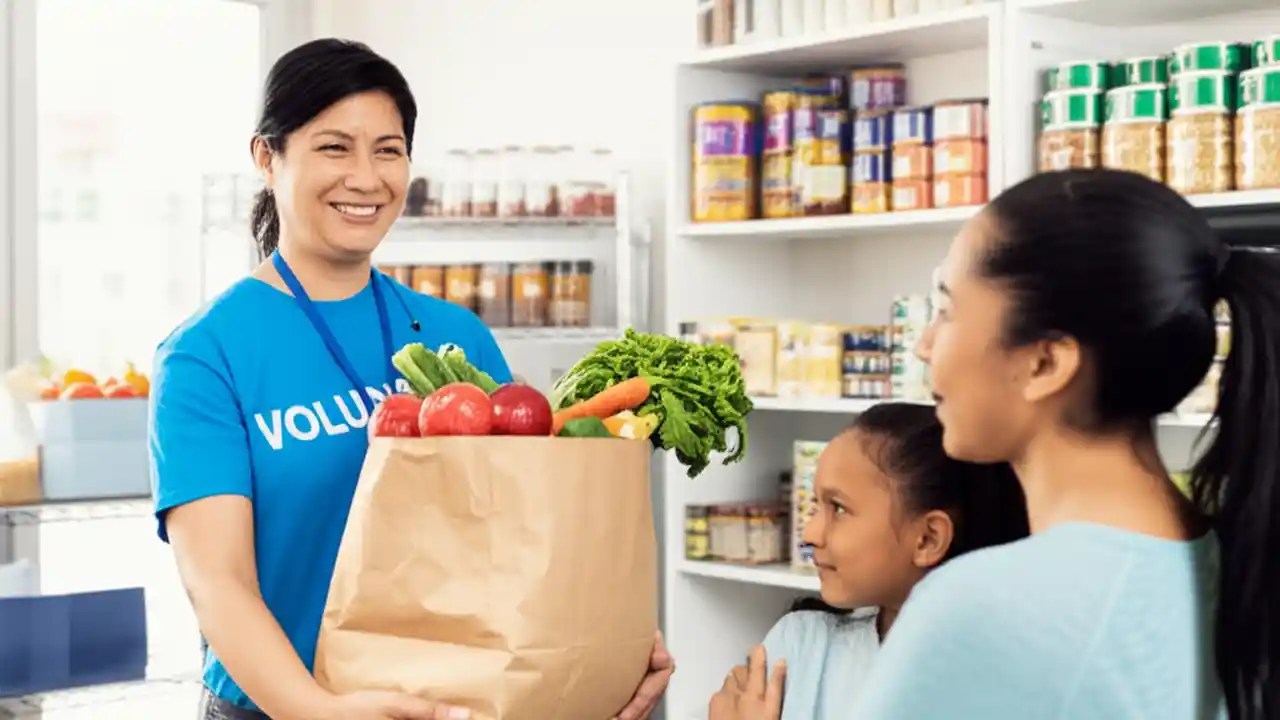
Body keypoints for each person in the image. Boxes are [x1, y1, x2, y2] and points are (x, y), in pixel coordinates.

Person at [150, 39, 671, 720]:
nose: (366, 178)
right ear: (266, 157)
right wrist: (316, 709)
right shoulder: (205, 355)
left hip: (457, 702)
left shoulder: (459, 336)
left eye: (388, 150)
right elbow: (219, 584)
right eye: (335, 148)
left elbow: (524, 535)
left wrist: (599, 649)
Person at [844, 168, 1280, 719]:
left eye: (948, 310)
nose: (925, 347)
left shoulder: (980, 608)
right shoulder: (1230, 567)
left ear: (1045, 363)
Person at [708, 402, 1029, 720]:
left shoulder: (1006, 685)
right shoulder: (800, 646)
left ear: (928, 538)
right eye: (816, 504)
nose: (810, 533)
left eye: (839, 508)